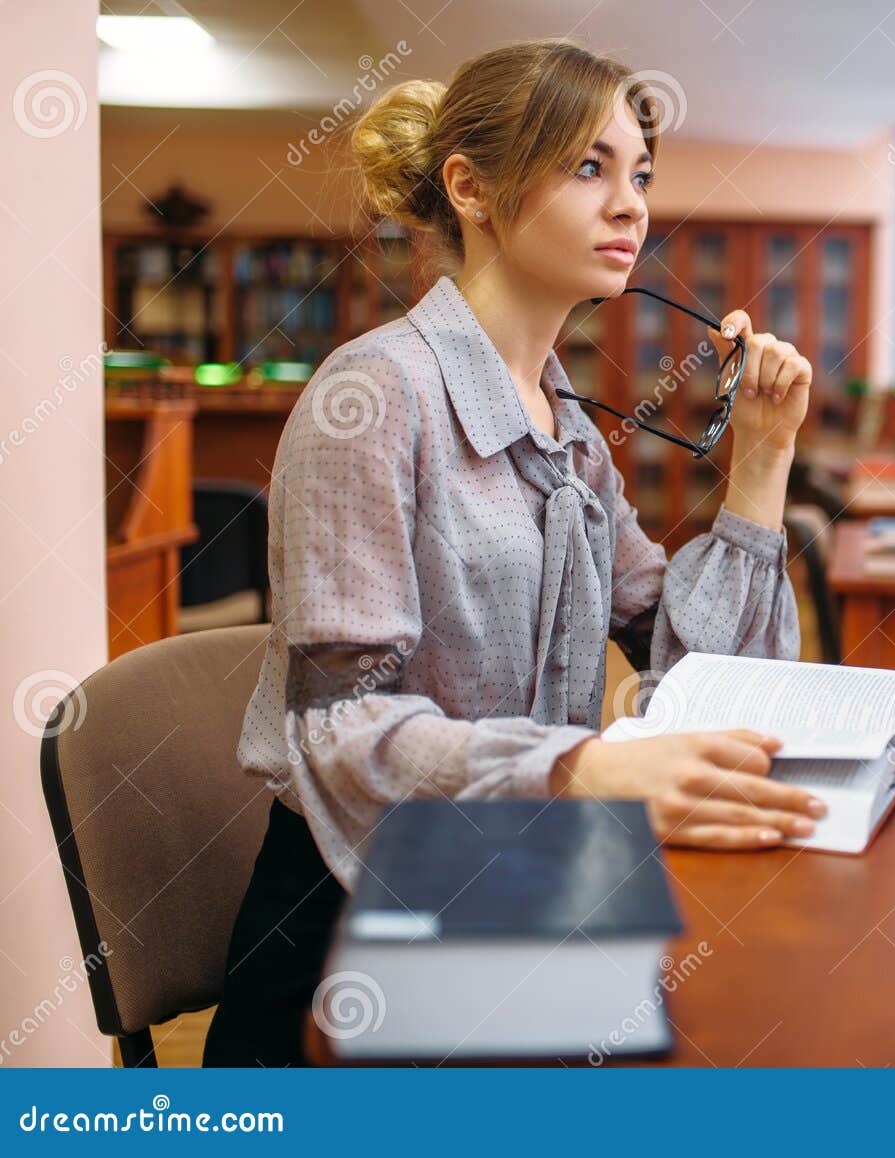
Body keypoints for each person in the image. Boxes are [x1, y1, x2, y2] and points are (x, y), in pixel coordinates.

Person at [204, 38, 826, 1066]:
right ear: (471, 188)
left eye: (640, 175)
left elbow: (695, 663)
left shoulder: (569, 428)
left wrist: (758, 467)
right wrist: (580, 767)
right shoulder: (372, 400)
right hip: (350, 930)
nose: (631, 204)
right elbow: (338, 728)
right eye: (589, 167)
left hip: (513, 879)